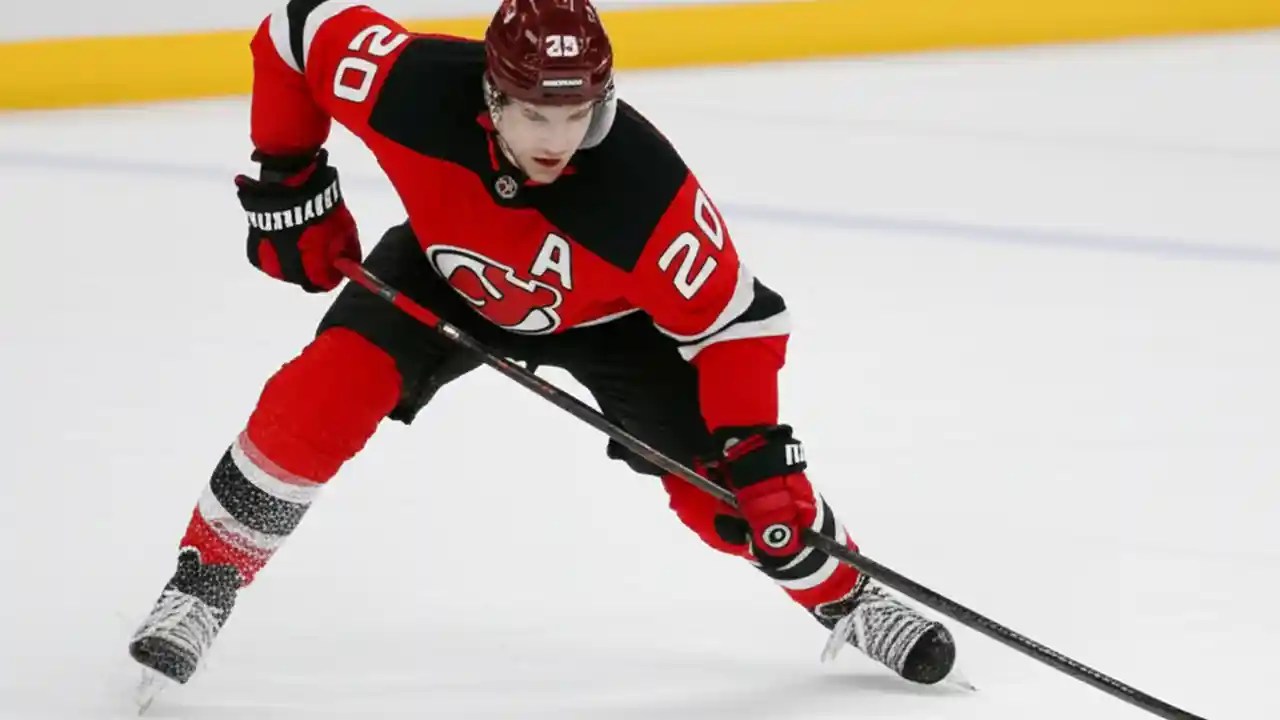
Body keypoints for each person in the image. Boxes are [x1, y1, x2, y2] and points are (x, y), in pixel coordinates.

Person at [128, 0, 956, 690]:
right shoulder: (412, 86)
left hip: (615, 327)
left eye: (575, 112)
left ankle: (847, 597)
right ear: (491, 95)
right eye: (533, 113)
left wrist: (755, 451)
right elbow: (293, 35)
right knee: (319, 400)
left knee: (732, 498)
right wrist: (290, 177)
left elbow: (737, 325)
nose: (555, 137)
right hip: (437, 271)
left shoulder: (642, 189)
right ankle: (202, 584)